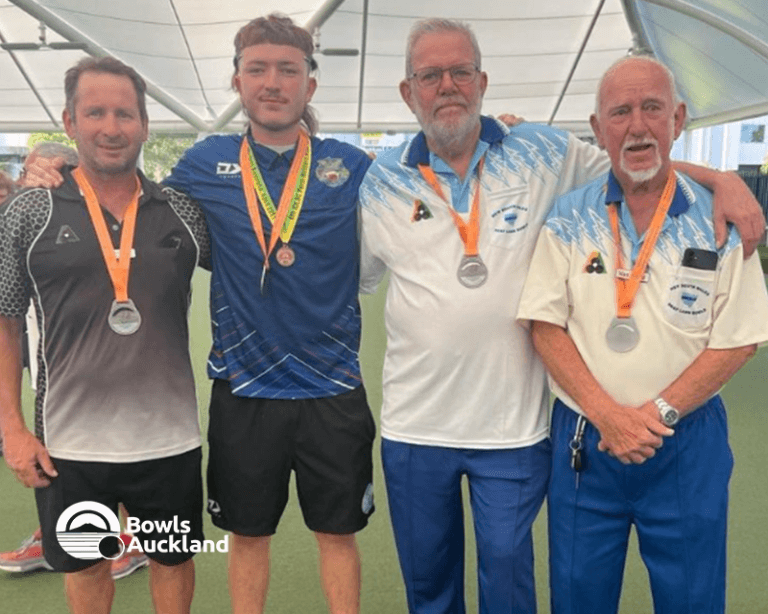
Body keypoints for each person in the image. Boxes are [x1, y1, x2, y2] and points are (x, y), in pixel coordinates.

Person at [358, 18, 765, 614]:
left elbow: (637, 159)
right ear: (408, 90)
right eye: (430, 75)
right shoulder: (378, 182)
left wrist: (723, 178)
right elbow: (358, 278)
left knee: (515, 584)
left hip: (515, 429)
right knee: (434, 590)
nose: (447, 85)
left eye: (460, 72)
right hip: (421, 423)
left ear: (482, 81)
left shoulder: (546, 153)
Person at [516, 55, 768, 614]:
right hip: (588, 439)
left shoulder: (720, 220)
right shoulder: (566, 217)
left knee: (693, 599)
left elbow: (738, 340)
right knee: (578, 596)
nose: (637, 125)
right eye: (621, 112)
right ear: (599, 128)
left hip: (687, 442)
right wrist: (609, 416)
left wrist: (655, 416)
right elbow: (544, 324)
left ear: (677, 118)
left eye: (652, 108)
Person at [162, 14, 375, 614]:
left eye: (288, 69)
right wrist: (55, 170)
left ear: (311, 83)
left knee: (337, 534)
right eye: (258, 69)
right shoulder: (205, 163)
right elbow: (138, 204)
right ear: (237, 82)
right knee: (248, 534)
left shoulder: (351, 165)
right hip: (245, 389)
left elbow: (427, 178)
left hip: (332, 388)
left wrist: (504, 132)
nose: (273, 82)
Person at [0, 56, 211, 614]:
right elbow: (5, 318)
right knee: (88, 567)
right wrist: (11, 429)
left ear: (145, 124)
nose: (111, 127)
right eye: (95, 112)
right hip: (70, 443)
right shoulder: (29, 211)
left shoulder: (183, 213)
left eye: (125, 113)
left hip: (168, 438)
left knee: (172, 562)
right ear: (69, 122)